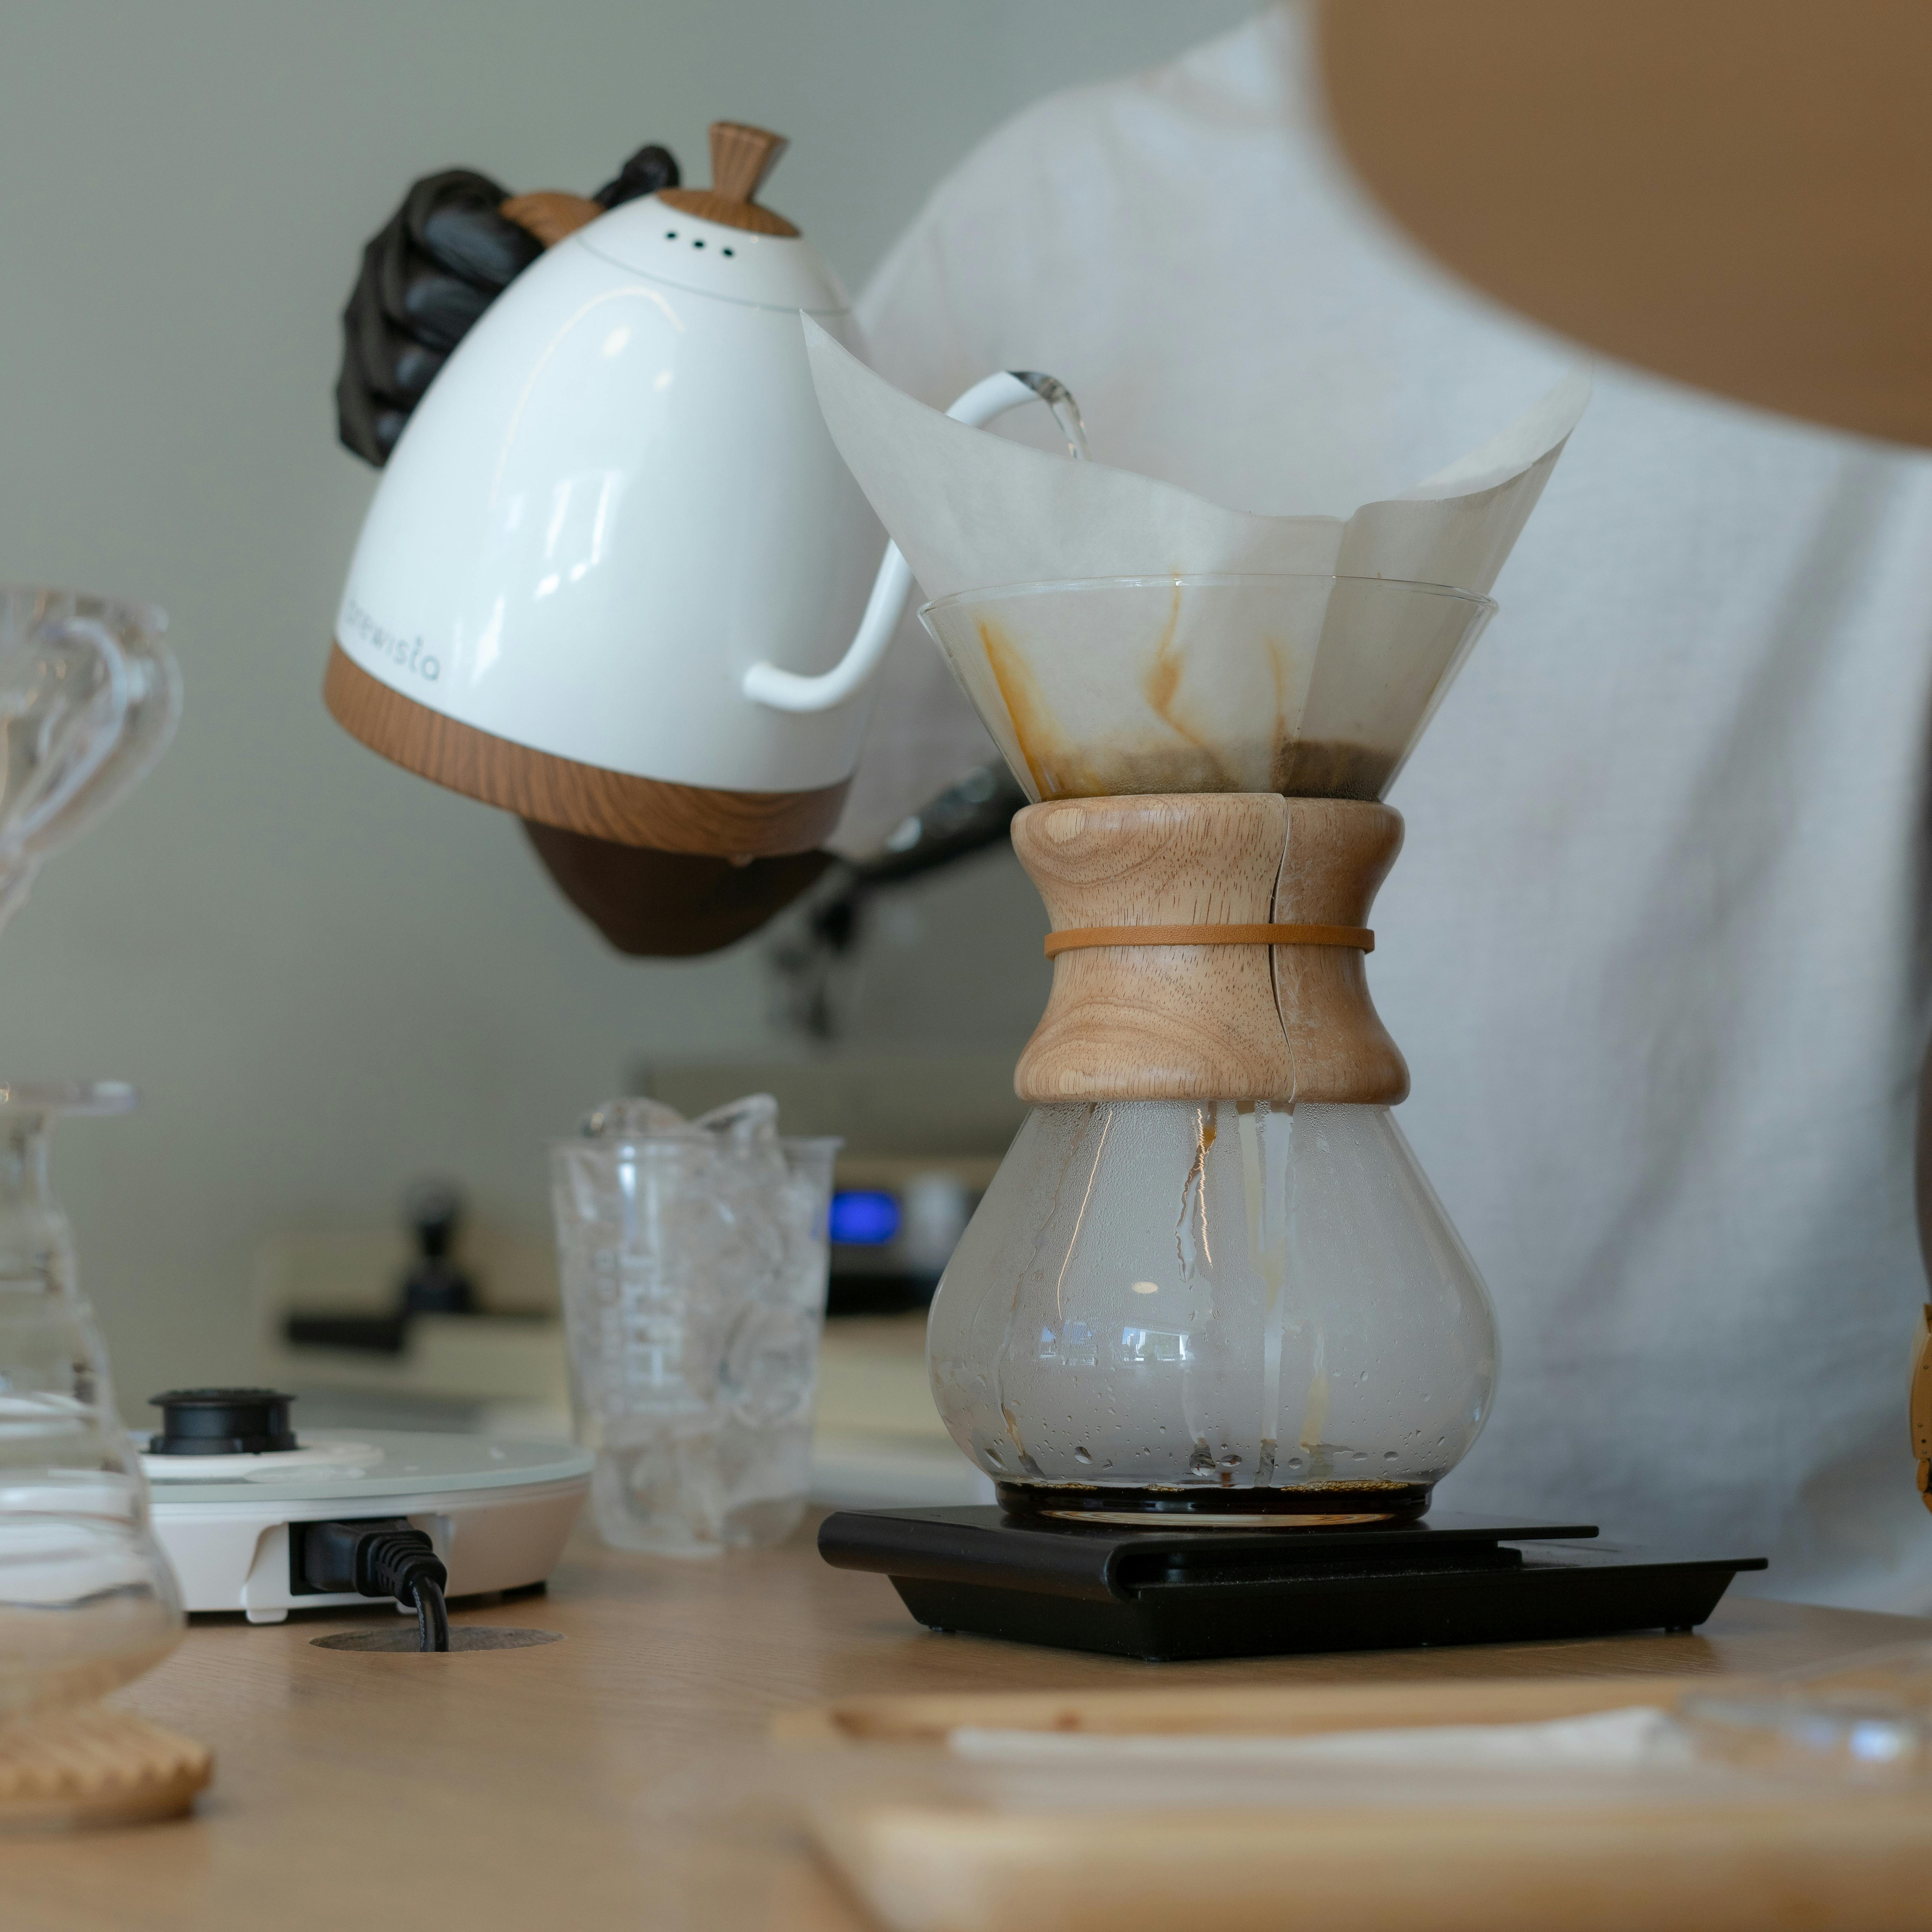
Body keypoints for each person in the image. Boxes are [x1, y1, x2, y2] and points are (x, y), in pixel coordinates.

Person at [351, 5, 1932, 1608]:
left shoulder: (1873, 174)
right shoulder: (1075, 203)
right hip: (1190, 1554)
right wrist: (531, 432)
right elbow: (683, 876)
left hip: (1845, 1591)